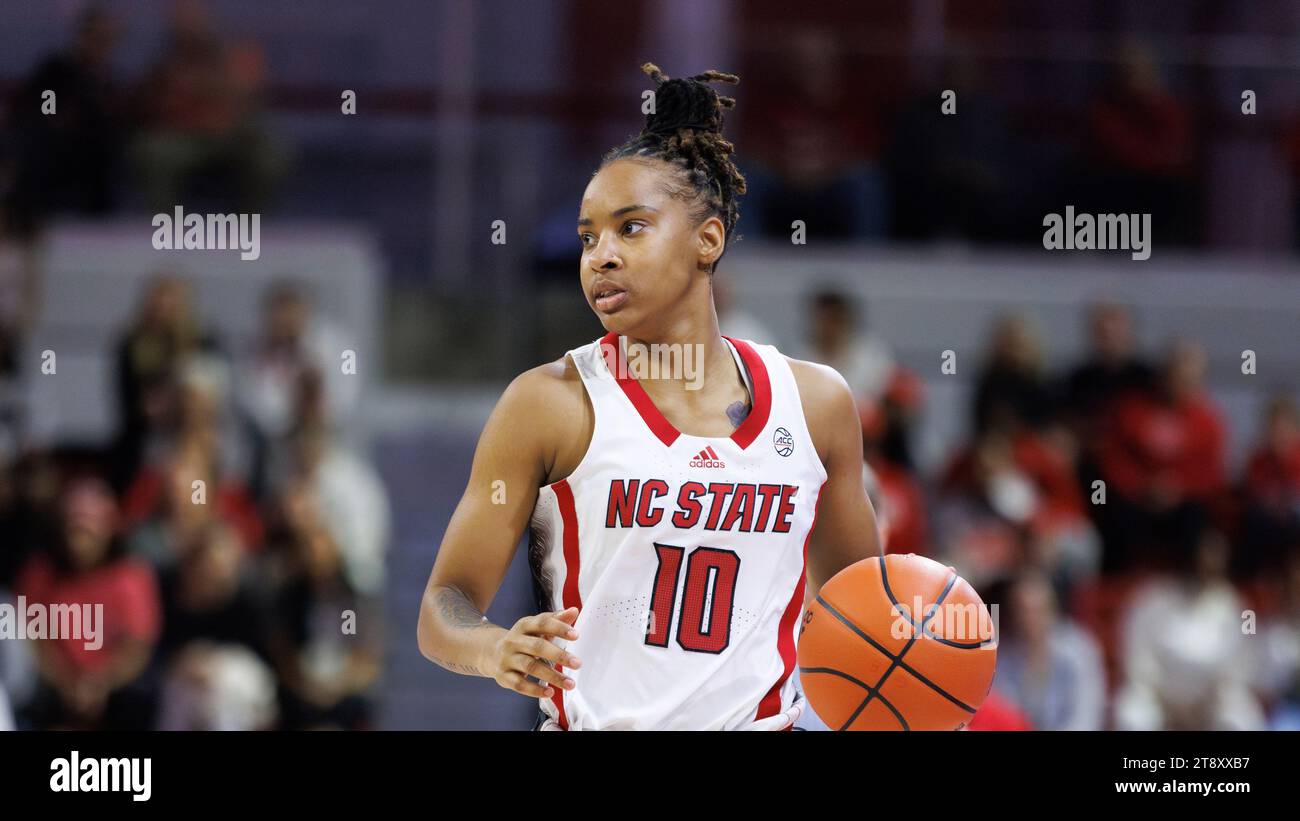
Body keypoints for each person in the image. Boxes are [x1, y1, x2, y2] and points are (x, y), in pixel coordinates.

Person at [416, 63, 882, 730]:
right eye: (588, 236)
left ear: (708, 238)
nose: (600, 255)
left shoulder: (816, 404)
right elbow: (443, 606)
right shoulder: (549, 402)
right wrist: (494, 646)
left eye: (630, 227)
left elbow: (863, 614)